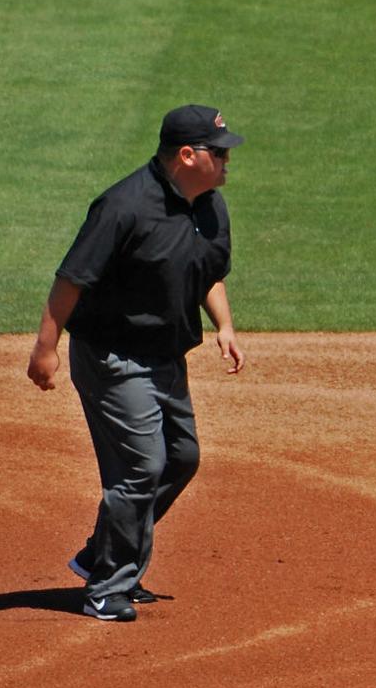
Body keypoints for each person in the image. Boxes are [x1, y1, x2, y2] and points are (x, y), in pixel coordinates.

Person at [26, 105, 247, 623]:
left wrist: (225, 326)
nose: (228, 160)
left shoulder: (209, 205)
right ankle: (107, 587)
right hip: (113, 358)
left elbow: (208, 270)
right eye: (219, 153)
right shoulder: (123, 207)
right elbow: (72, 278)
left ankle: (98, 553)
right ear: (187, 155)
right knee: (140, 469)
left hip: (167, 356)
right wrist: (45, 347)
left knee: (181, 459)